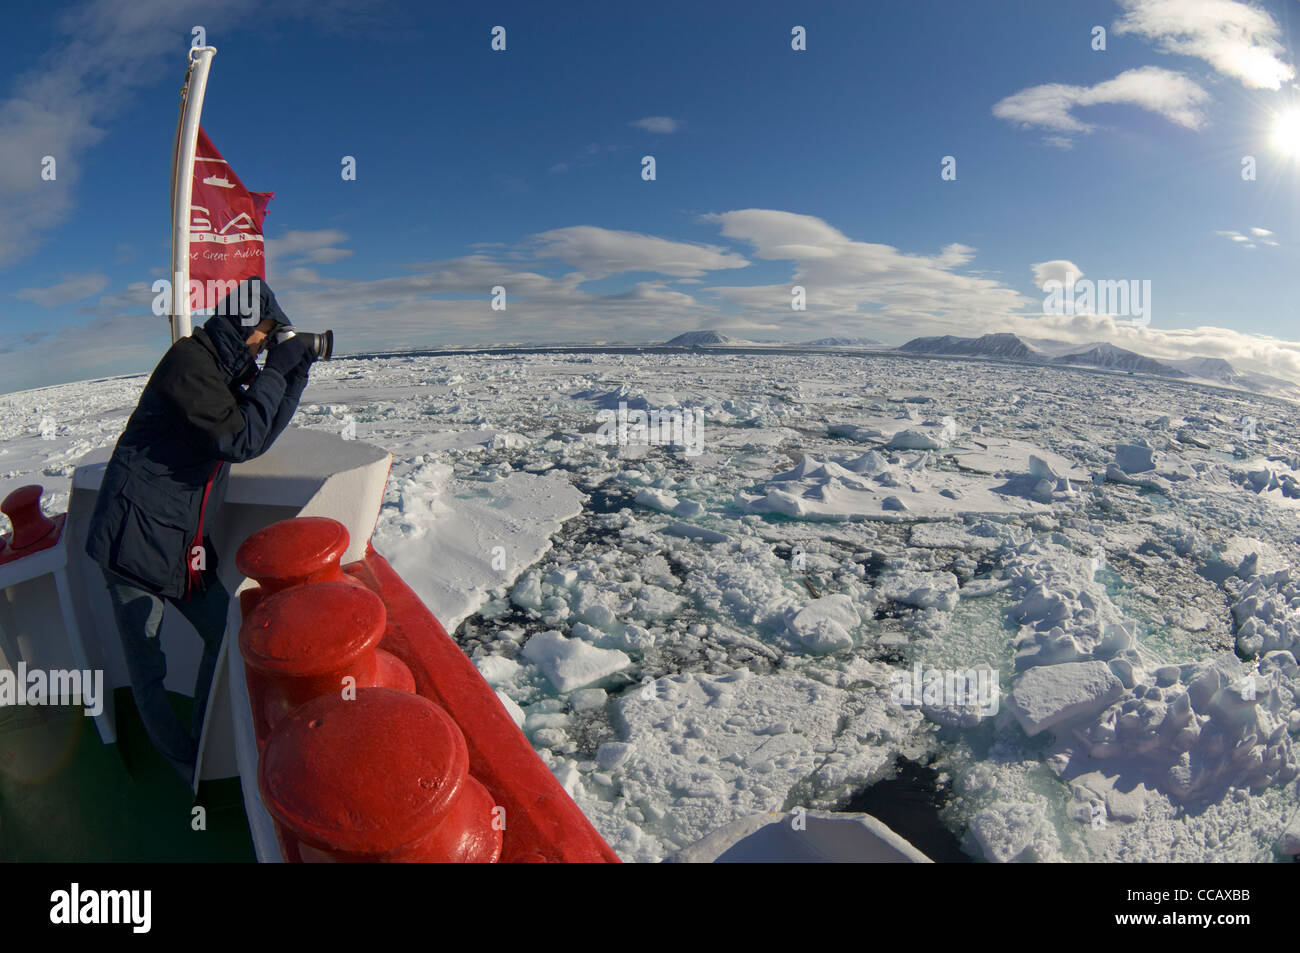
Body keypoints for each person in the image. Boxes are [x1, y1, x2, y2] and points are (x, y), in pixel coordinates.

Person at [85, 278, 316, 786]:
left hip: (180, 546)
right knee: (148, 671)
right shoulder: (188, 366)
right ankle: (186, 761)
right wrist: (278, 365)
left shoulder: (221, 372)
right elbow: (239, 439)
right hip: (130, 544)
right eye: (266, 334)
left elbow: (261, 432)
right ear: (243, 326)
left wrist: (295, 370)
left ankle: (203, 741)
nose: (265, 344)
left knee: (224, 632)